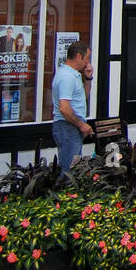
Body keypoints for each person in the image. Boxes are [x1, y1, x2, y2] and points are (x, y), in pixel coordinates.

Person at [51, 41, 94, 173]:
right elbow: (64, 108)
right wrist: (81, 125)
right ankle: (66, 193)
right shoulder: (67, 77)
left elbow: (82, 98)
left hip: (72, 127)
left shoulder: (74, 75)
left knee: (74, 168)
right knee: (70, 171)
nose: (88, 62)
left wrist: (88, 78)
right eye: (86, 58)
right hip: (68, 127)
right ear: (78, 57)